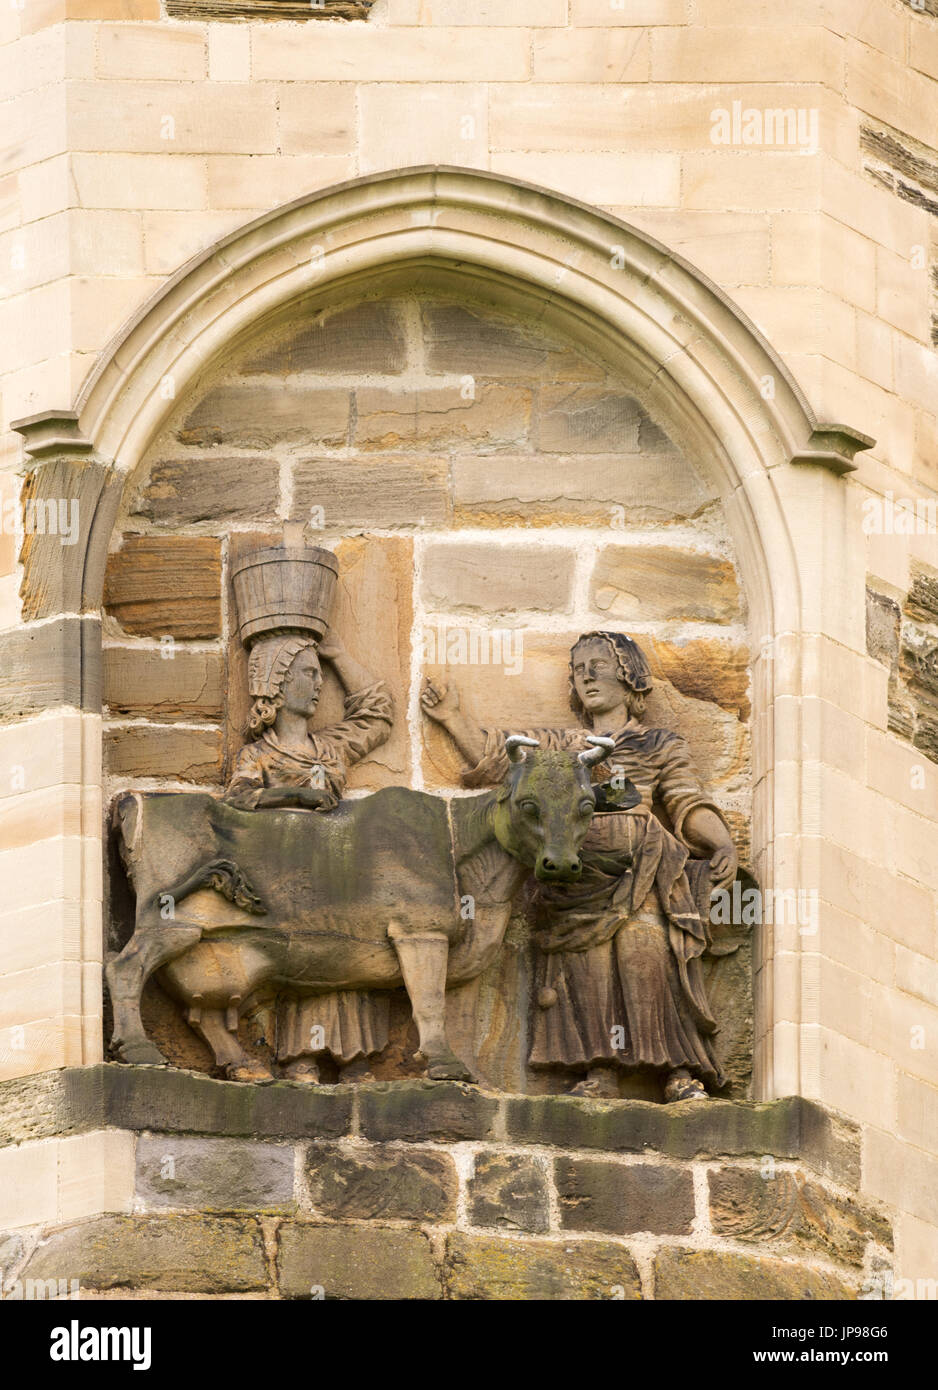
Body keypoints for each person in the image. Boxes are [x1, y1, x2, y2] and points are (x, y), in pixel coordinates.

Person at [421, 631, 738, 1101]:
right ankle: (601, 1068)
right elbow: (498, 758)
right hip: (575, 873)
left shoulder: (657, 743)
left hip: (642, 873)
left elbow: (687, 802)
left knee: (645, 960)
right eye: (578, 668)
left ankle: (676, 1071)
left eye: (599, 664)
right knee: (588, 970)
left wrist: (721, 843)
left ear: (629, 675)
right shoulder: (559, 745)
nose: (586, 674)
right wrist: (452, 718)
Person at [225, 629, 394, 1082]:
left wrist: (337, 654)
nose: (318, 683)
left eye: (320, 675)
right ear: (276, 685)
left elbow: (378, 713)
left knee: (351, 957)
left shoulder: (332, 747)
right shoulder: (259, 753)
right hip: (290, 877)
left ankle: (356, 1055)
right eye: (307, 673)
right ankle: (301, 1053)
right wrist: (295, 798)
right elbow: (238, 798)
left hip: (340, 872)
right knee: (305, 961)